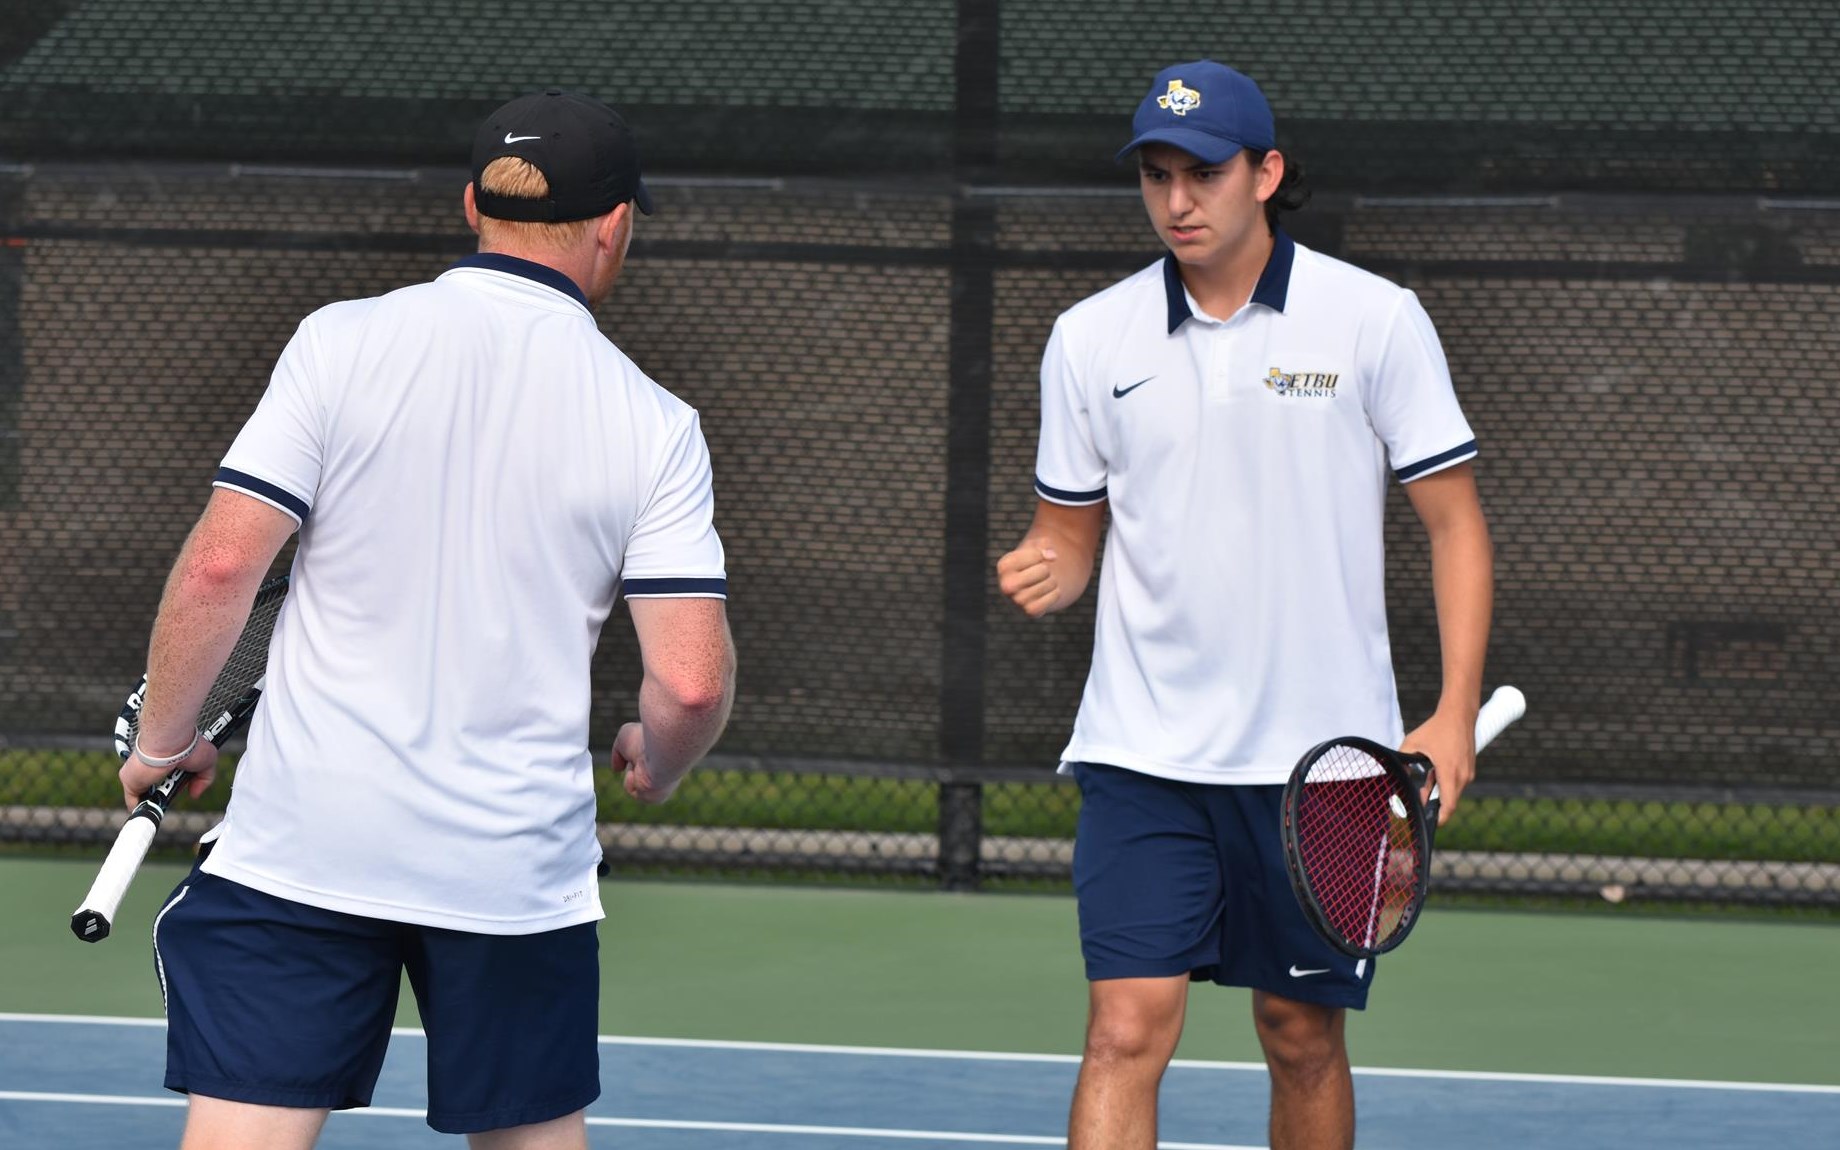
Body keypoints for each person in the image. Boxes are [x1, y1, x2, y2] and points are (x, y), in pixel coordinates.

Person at [117, 89, 736, 1150]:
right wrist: (662, 761)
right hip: (513, 873)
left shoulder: (336, 342)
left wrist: (165, 744)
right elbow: (689, 682)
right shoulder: (657, 424)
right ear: (615, 224)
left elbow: (220, 567)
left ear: (472, 205)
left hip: (307, 843)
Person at [996, 61, 1493, 1150]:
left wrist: (1453, 711)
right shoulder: (1088, 337)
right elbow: (1068, 537)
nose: (1177, 200)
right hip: (1143, 753)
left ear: (1266, 174)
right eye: (1156, 176)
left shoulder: (1374, 320)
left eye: (1203, 173)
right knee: (1123, 1029)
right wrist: (1049, 567)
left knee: (1299, 1034)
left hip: (1327, 766)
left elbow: (1455, 525)